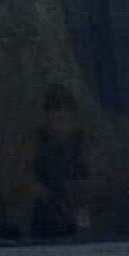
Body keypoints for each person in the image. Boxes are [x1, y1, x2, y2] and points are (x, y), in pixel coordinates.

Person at [28, 88, 91, 240]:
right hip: (46, 219)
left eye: (66, 109)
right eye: (55, 109)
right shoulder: (35, 142)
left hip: (80, 213)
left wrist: (78, 192)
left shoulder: (83, 142)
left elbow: (99, 177)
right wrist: (43, 194)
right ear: (46, 115)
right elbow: (22, 180)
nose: (61, 114)